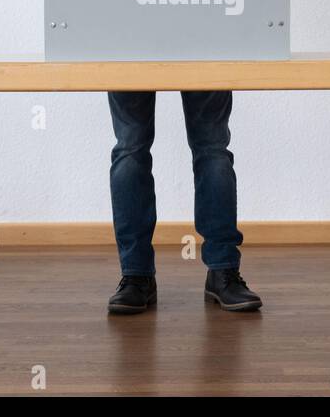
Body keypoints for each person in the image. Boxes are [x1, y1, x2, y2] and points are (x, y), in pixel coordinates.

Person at [104, 90, 262, 314]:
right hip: (126, 54)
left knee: (213, 151)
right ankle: (136, 274)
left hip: (206, 54)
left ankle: (223, 271)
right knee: (130, 151)